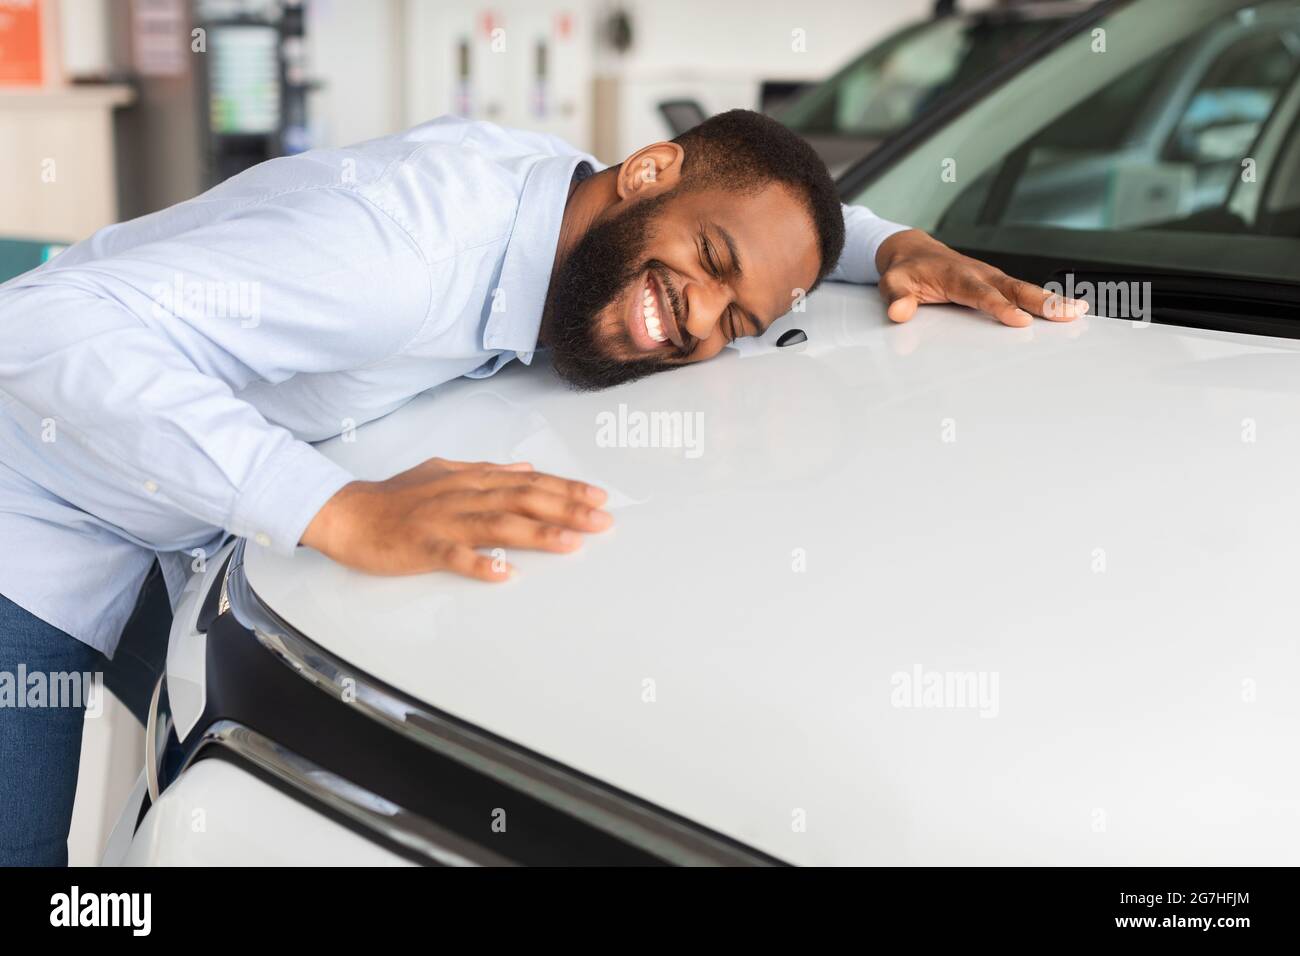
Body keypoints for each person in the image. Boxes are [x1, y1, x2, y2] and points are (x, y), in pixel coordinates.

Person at [0, 109, 1085, 865]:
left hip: (166, 511)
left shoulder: (581, 198)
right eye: (706, 264)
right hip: (33, 498)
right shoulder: (399, 255)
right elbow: (40, 328)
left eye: (738, 319)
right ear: (648, 174)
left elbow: (764, 225)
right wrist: (336, 508)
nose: (700, 319)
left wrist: (898, 244)